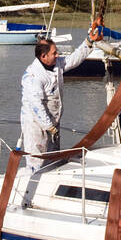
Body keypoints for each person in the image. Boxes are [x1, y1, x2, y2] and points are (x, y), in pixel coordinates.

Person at [19, 33, 93, 173]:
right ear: (43, 57)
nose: (58, 55)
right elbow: (36, 106)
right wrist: (48, 126)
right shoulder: (33, 76)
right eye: (54, 53)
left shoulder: (56, 63)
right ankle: (33, 181)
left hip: (53, 123)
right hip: (36, 126)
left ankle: (50, 176)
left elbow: (72, 60)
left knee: (53, 160)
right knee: (37, 160)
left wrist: (88, 43)